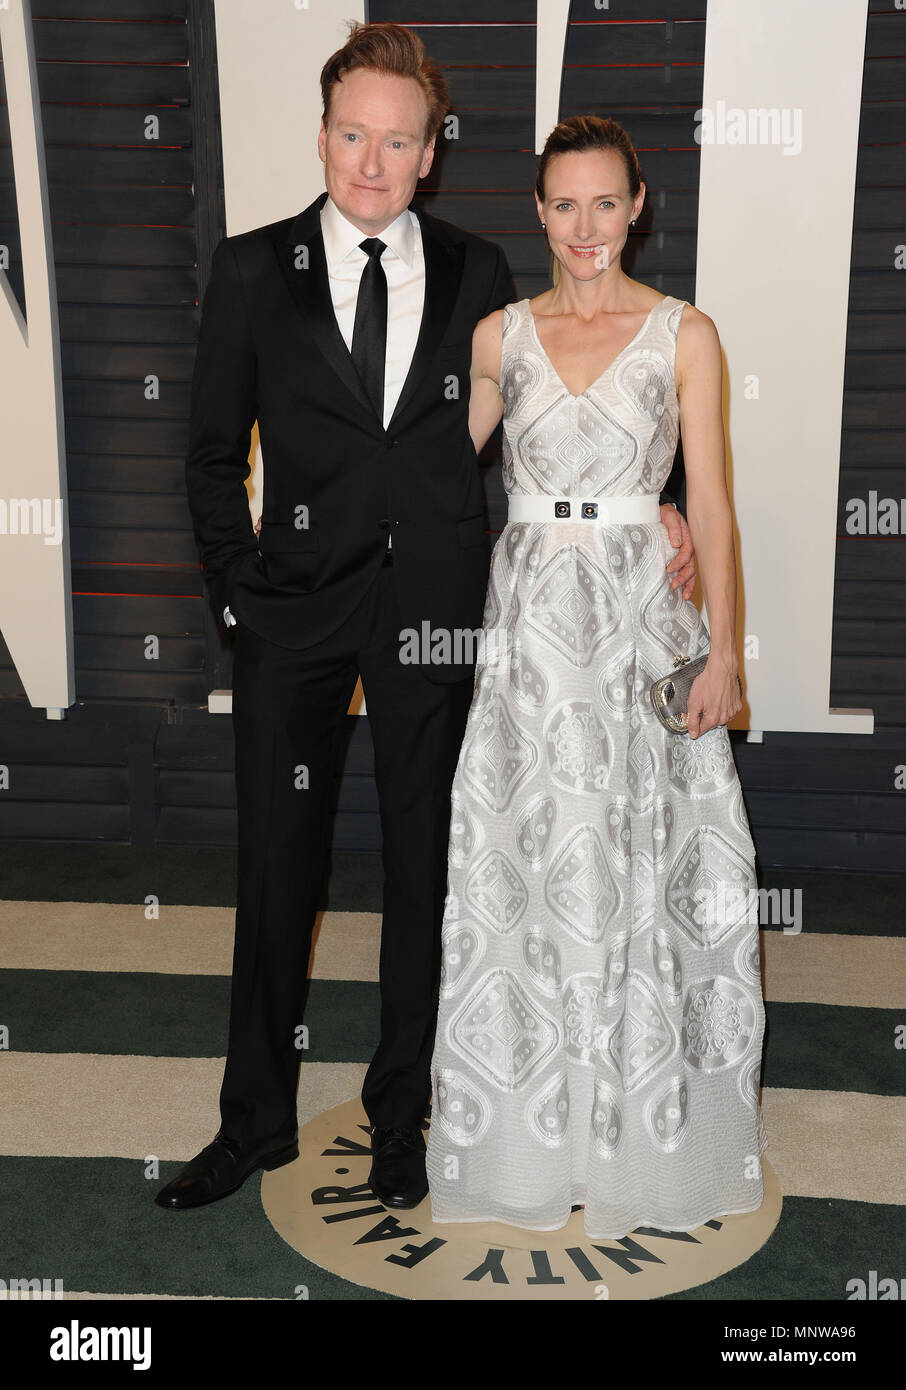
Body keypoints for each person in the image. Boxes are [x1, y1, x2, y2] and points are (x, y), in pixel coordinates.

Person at [156, 24, 695, 1213]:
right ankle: (254, 1122)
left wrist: (665, 507)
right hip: (291, 613)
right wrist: (237, 597)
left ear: (430, 154)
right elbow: (206, 456)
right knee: (274, 871)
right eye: (354, 133)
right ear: (324, 135)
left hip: (433, 616)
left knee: (423, 872)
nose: (372, 159)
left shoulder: (477, 271)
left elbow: (566, 408)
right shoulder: (253, 271)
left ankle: (402, 1117)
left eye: (399, 139)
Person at [426, 115, 768, 1238]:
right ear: (539, 211)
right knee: (526, 867)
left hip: (638, 629)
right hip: (529, 636)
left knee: (644, 863)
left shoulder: (687, 335)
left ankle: (640, 1130)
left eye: (605, 203)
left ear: (636, 208)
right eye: (563, 204)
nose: (585, 227)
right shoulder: (497, 338)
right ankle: (532, 1135)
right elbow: (432, 477)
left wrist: (723, 648)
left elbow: (709, 501)